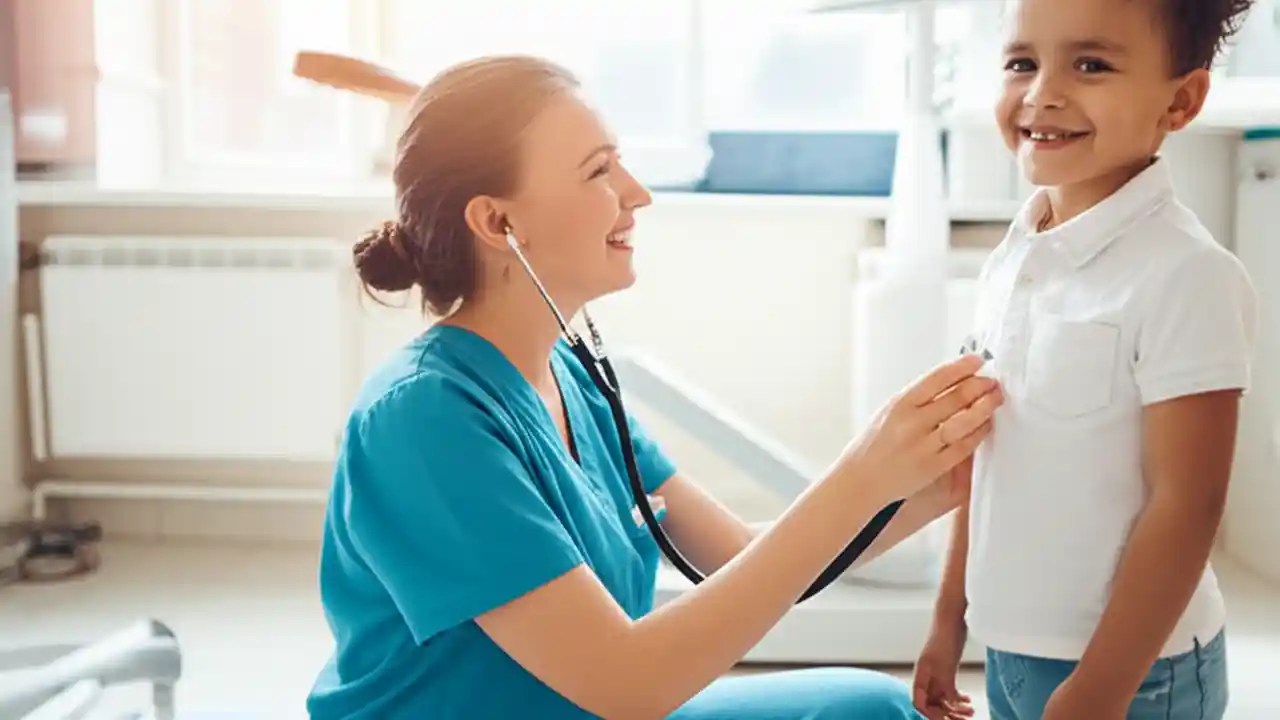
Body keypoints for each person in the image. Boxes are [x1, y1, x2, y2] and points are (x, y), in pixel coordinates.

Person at [304, 55, 1003, 720]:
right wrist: (859, 475)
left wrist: (940, 479)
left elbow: (736, 554)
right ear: (497, 222)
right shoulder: (424, 420)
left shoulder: (572, 377)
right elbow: (628, 683)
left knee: (869, 708)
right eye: (599, 171)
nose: (636, 193)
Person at [911, 0, 1260, 719]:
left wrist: (1101, 689)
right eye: (1021, 63)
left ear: (1181, 100)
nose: (1043, 93)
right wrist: (951, 619)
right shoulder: (1012, 260)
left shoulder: (1186, 274)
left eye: (1092, 65)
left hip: (1135, 673)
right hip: (1013, 651)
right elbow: (983, 458)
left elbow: (1187, 505)